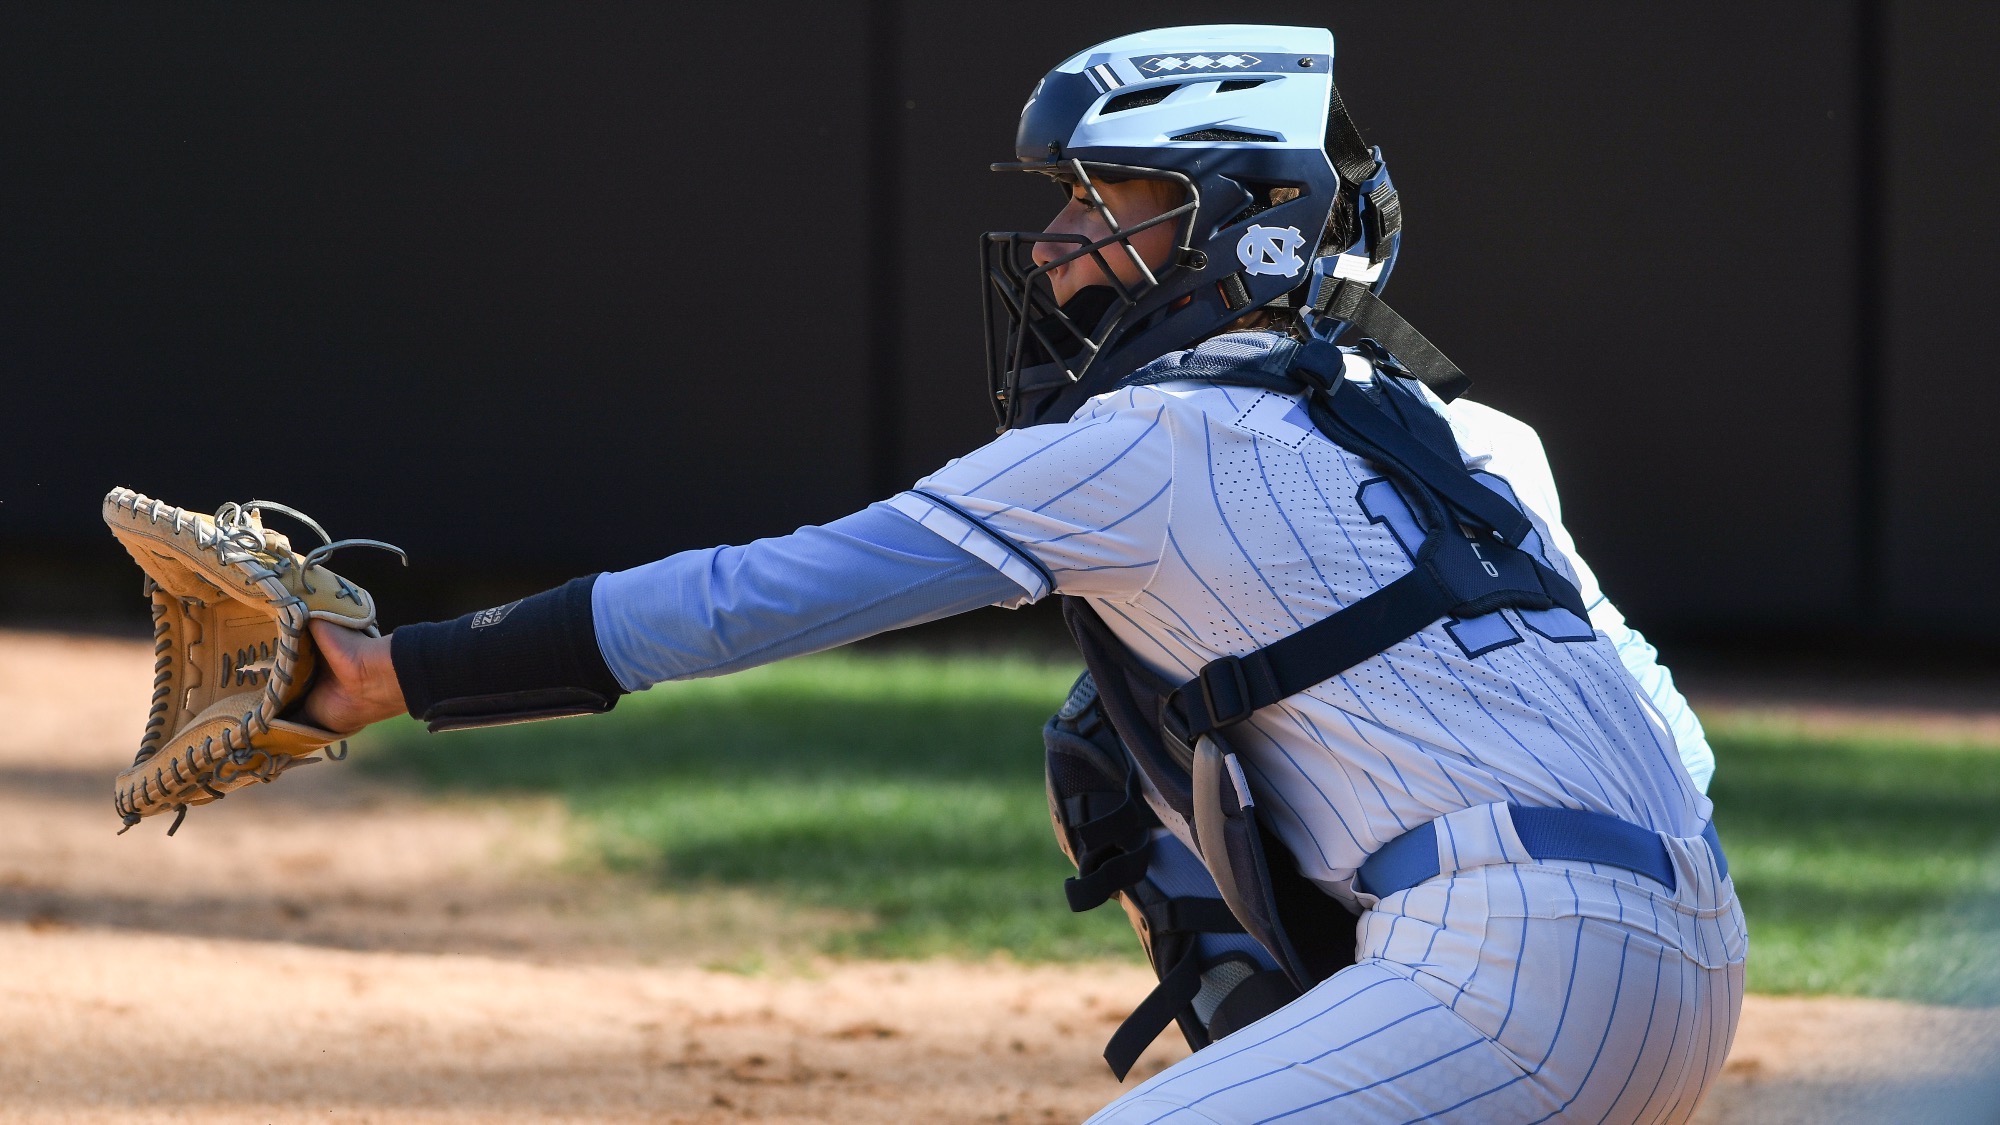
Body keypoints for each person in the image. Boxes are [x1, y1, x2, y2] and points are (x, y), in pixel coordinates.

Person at [301, 24, 1744, 1123]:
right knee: (1115, 737)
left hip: (1515, 974)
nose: (1060, 244)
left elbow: (764, 594)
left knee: (1118, 747)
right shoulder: (1463, 429)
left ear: (1244, 222)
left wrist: (391, 671)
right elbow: (1670, 746)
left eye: (1109, 200)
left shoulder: (1150, 438)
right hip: (1688, 955)